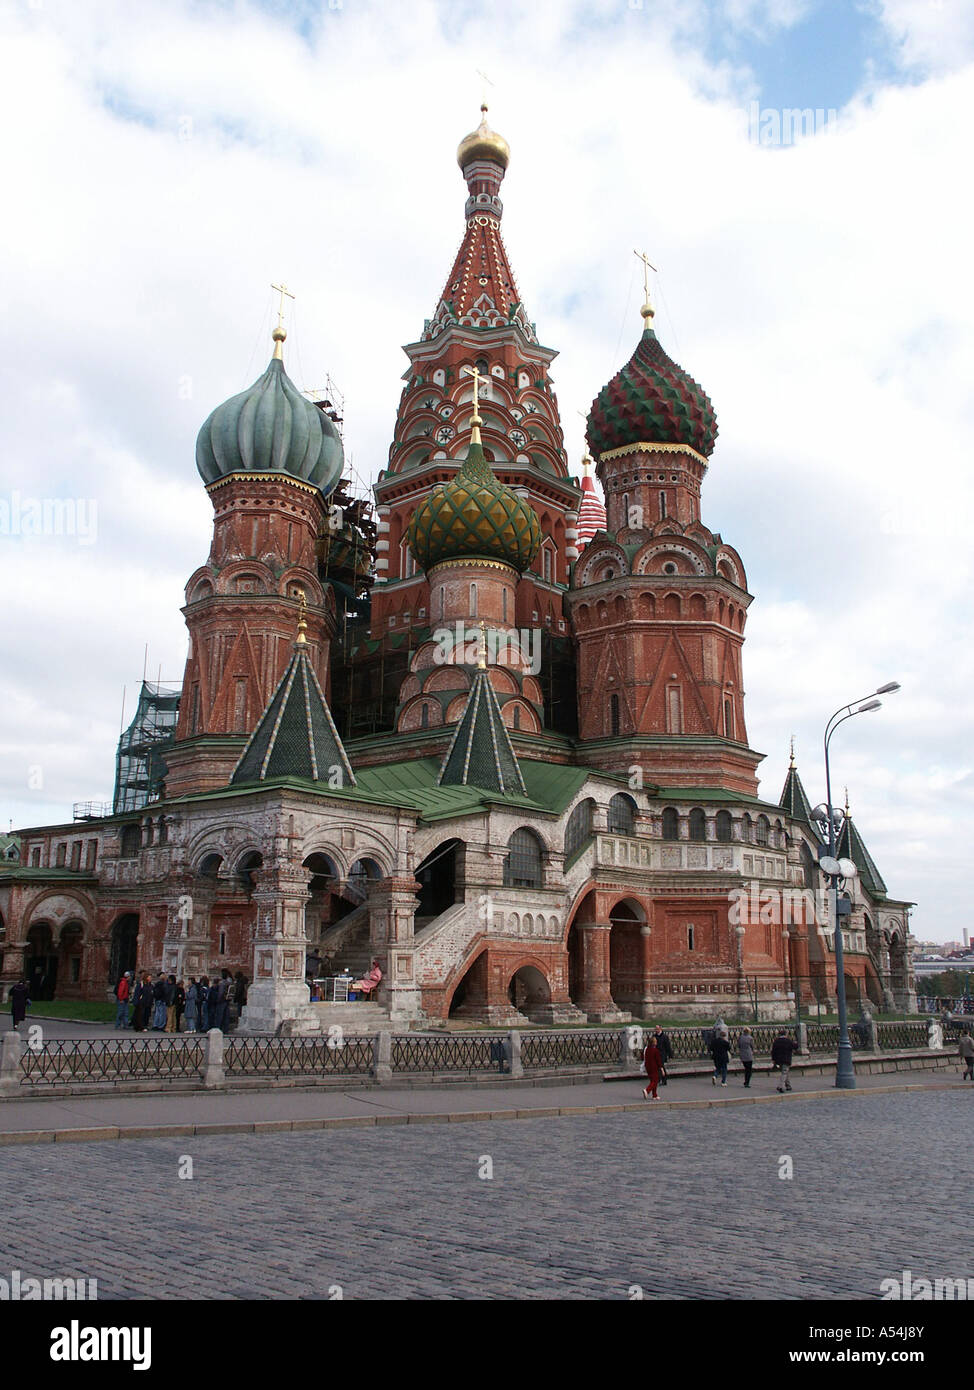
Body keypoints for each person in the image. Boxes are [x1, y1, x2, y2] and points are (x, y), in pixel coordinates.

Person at [642, 1035, 663, 1100]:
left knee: (652, 1080)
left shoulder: (647, 1049)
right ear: (653, 1043)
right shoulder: (655, 1050)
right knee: (655, 1081)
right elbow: (658, 1061)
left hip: (648, 1067)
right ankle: (647, 1090)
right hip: (654, 1067)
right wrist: (661, 1068)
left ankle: (654, 1095)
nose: (656, 1042)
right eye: (655, 1041)